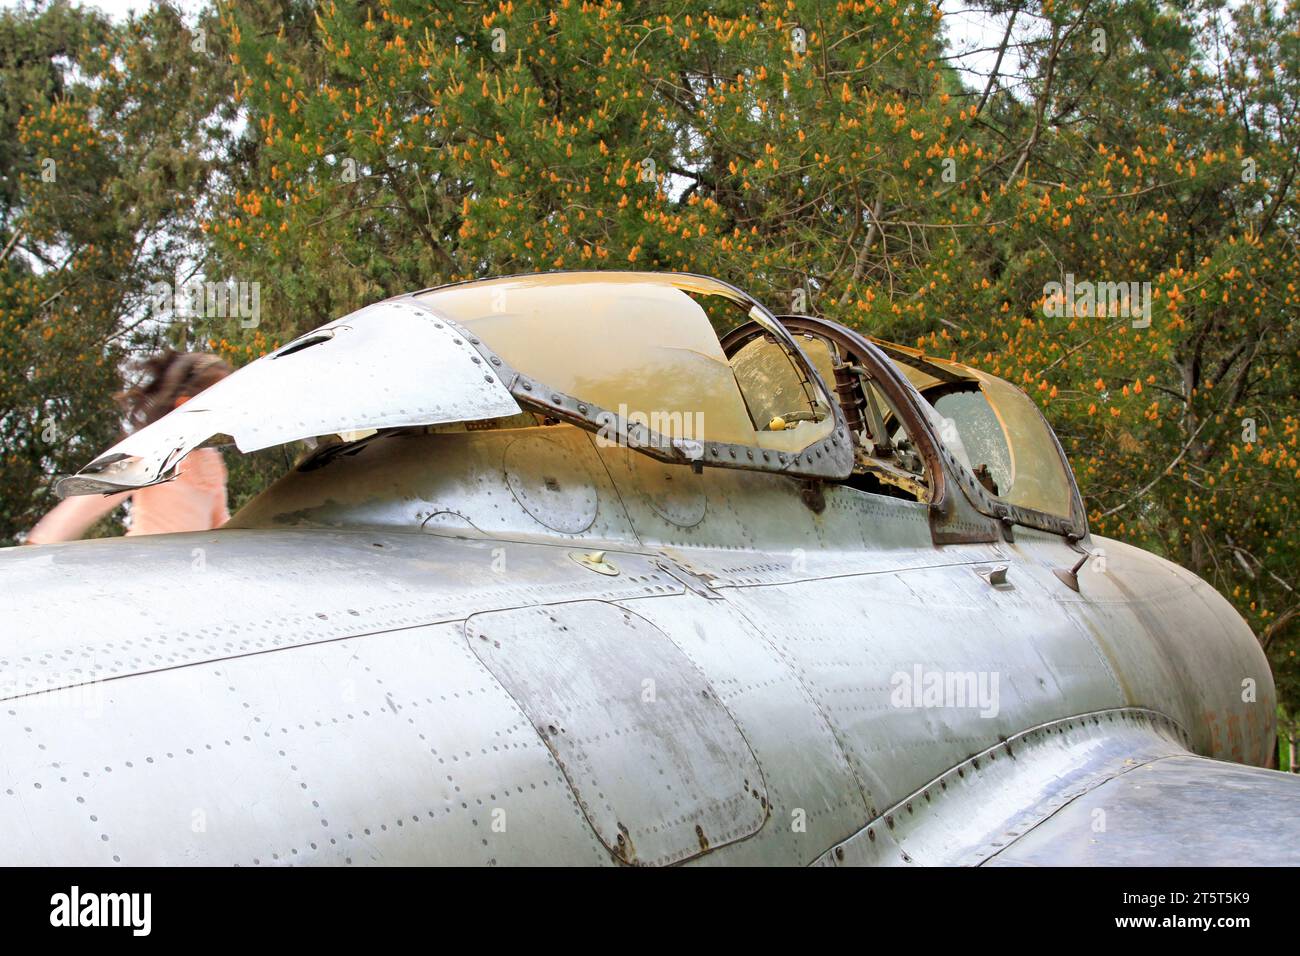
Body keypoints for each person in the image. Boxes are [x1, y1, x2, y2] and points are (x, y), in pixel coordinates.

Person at [26, 351, 233, 544]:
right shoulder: (154, 448)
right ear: (184, 404)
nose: (230, 410)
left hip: (189, 568)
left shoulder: (211, 459)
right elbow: (92, 497)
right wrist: (43, 541)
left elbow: (220, 522)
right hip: (147, 562)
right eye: (223, 403)